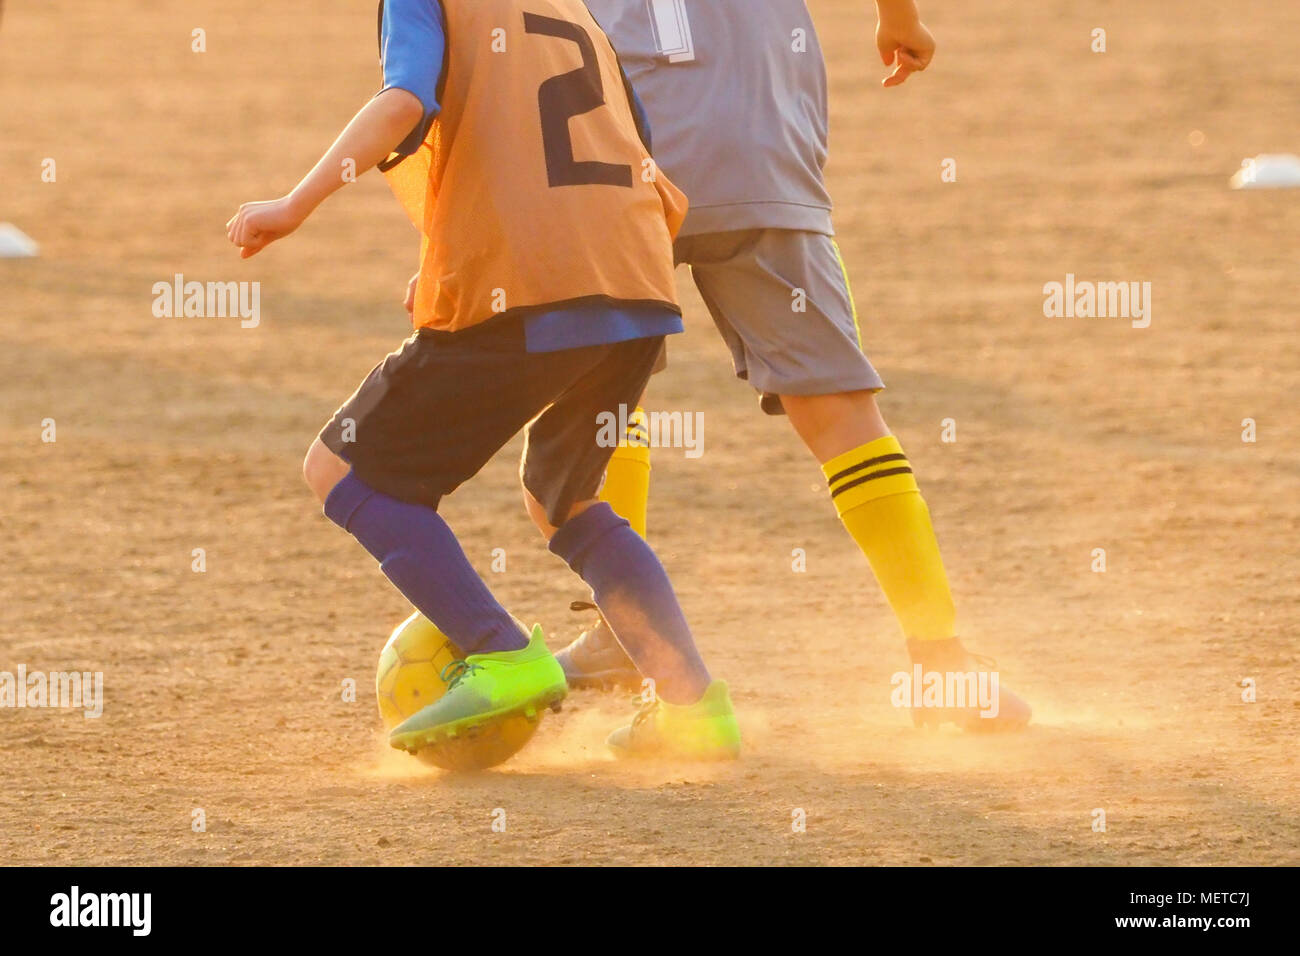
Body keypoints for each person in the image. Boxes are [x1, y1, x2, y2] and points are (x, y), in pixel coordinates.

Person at [226, 0, 740, 759]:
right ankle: (694, 709)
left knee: (342, 469)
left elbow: (403, 102)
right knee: (563, 499)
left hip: (536, 286)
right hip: (636, 277)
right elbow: (623, 147)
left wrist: (294, 203)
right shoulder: (573, 8)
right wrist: (464, 253)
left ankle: (501, 653)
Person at [552, 0, 1031, 731]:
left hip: (610, 153)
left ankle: (632, 635)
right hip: (759, 137)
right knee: (837, 408)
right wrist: (898, 18)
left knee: (602, 402)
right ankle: (942, 667)